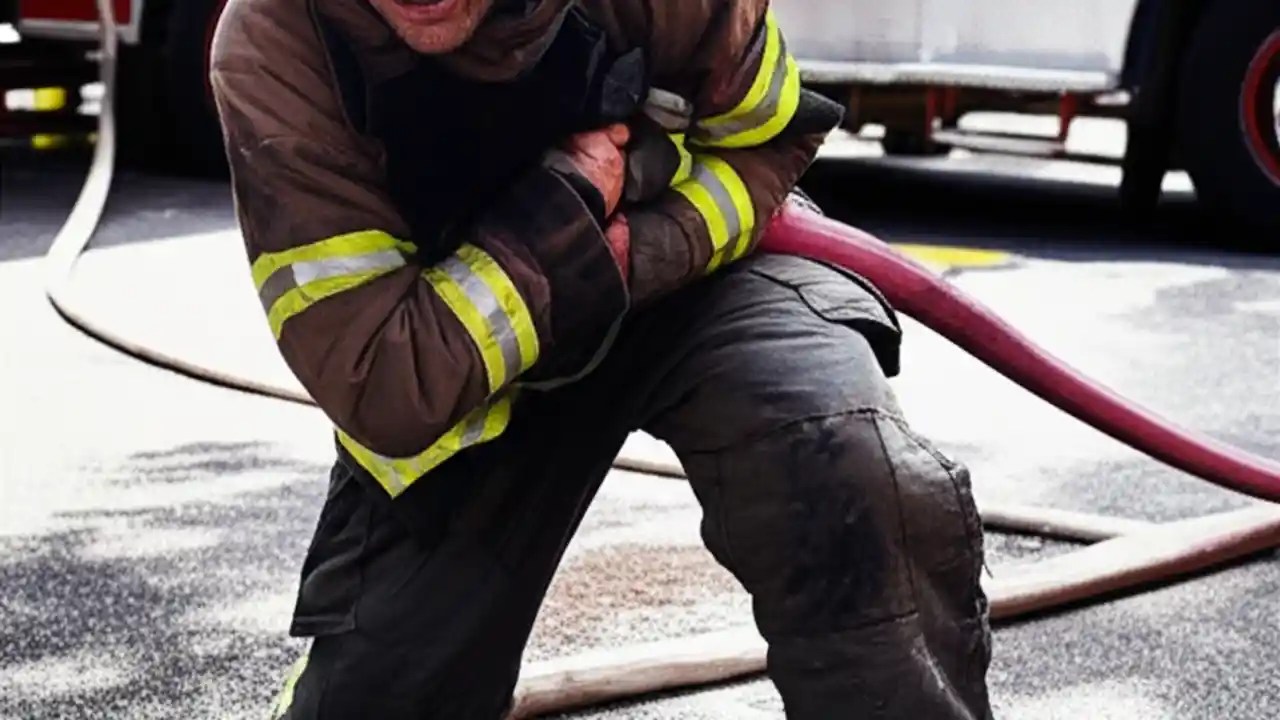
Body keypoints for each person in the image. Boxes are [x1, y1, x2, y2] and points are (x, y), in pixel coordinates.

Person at [209, 0, 993, 717]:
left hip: (705, 282)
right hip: (471, 376)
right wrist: (565, 214)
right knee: (383, 694)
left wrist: (640, 252)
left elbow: (772, 135)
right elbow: (386, 380)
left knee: (852, 476)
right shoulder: (279, 47)